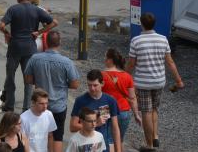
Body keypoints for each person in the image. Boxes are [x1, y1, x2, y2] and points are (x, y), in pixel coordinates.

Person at [127, 12, 184, 152]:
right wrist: (178, 80)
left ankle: (150, 145)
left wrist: (123, 74)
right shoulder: (163, 39)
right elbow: (170, 62)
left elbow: (131, 64)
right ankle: (155, 136)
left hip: (143, 82)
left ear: (141, 24)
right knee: (154, 109)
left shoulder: (136, 41)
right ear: (154, 24)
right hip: (159, 81)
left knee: (146, 111)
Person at [0, 0, 56, 112]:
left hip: (14, 48)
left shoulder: (13, 9)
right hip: (30, 48)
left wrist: (7, 33)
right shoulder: (37, 10)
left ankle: (9, 105)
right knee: (28, 79)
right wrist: (39, 32)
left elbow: (1, 25)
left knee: (10, 77)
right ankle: (26, 107)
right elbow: (54, 22)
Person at [25, 30, 80, 151]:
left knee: (39, 135)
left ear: (46, 42)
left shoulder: (35, 58)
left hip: (39, 104)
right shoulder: (66, 62)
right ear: (59, 43)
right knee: (57, 136)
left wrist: (39, 80)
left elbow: (28, 79)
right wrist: (62, 84)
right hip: (58, 105)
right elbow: (75, 84)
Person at [70, 70, 121, 152]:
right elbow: (72, 127)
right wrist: (96, 123)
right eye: (89, 85)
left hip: (102, 146)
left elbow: (115, 128)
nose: (92, 88)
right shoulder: (80, 101)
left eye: (95, 85)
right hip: (84, 146)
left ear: (102, 84)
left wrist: (118, 150)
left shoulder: (110, 101)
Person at [101, 49, 140, 144]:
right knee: (119, 141)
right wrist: (136, 114)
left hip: (105, 109)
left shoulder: (102, 75)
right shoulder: (127, 76)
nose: (104, 60)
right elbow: (132, 98)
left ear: (110, 60)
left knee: (106, 140)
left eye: (105, 58)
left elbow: (97, 95)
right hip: (123, 111)